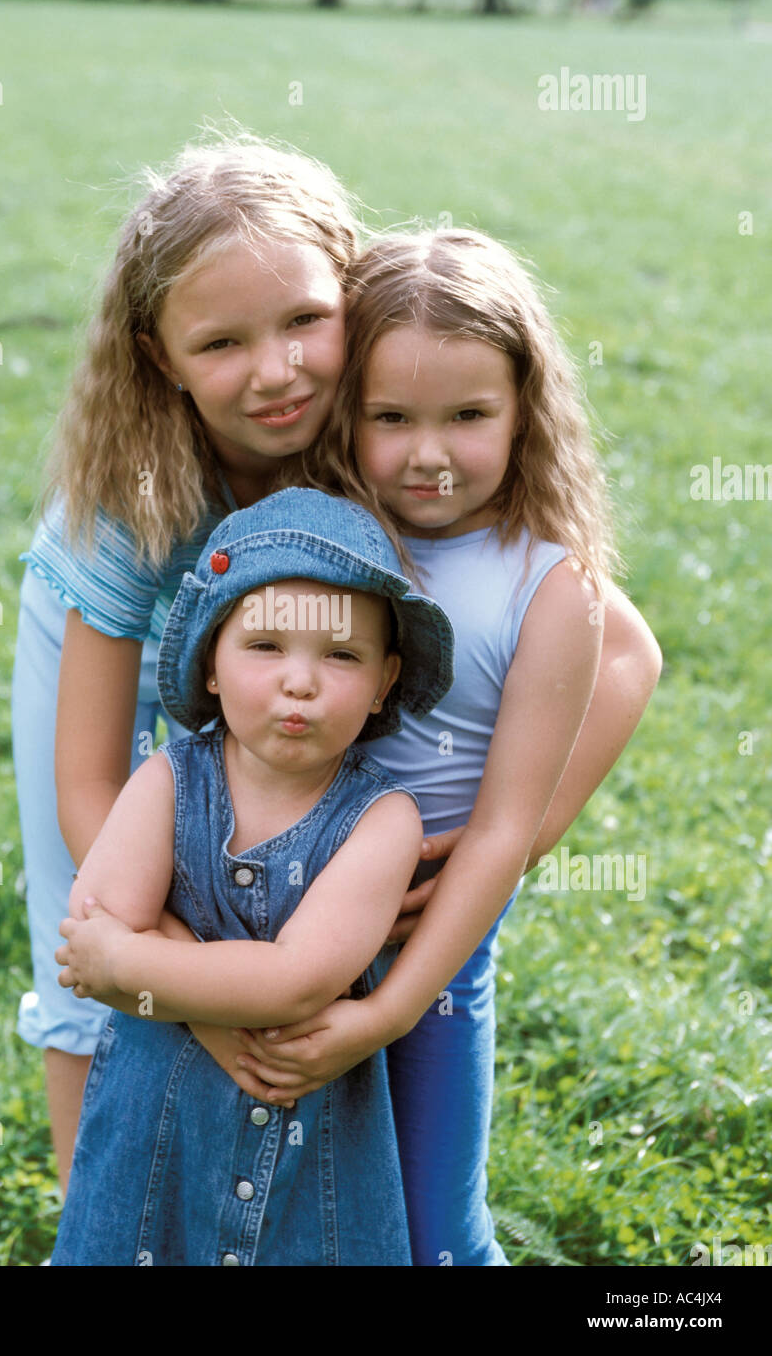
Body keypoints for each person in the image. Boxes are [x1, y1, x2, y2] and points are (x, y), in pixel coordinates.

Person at [221, 228, 663, 1265]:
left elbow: (508, 819)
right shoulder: (323, 538)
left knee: (432, 1230)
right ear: (349, 414)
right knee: (281, 1205)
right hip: (268, 916)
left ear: (525, 412)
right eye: (391, 418)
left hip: (433, 948)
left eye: (469, 416)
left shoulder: (545, 583)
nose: (430, 452)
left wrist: (398, 999)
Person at [10, 130, 359, 1193]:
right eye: (220, 345)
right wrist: (194, 994)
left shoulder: (389, 417)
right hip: (105, 648)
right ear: (160, 355)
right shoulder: (128, 492)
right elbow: (87, 788)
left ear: (351, 286)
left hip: (279, 659)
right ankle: (92, 1205)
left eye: (306, 318)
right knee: (87, 915)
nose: (277, 372)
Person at [49, 488, 455, 1266]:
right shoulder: (168, 778)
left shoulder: (383, 821)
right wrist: (114, 950)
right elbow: (96, 910)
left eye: (340, 655)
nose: (297, 682)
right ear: (209, 662)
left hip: (313, 1157)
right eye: (264, 646)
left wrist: (127, 965)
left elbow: (296, 981)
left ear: (382, 679)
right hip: (150, 1146)